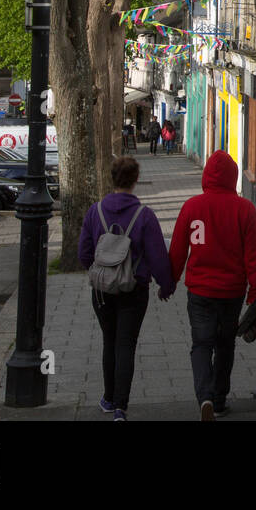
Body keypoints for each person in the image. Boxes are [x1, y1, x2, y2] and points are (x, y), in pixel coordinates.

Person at [168, 150, 256, 420]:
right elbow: (254, 255)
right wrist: (255, 291)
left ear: (206, 175)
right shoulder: (245, 209)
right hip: (232, 291)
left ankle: (205, 397)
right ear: (233, 177)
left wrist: (170, 282)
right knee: (225, 344)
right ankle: (219, 399)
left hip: (199, 290)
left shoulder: (192, 207)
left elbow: (177, 250)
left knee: (201, 344)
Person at [78, 156, 175, 421]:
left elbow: (83, 253)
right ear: (135, 180)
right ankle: (121, 406)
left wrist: (99, 270)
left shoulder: (94, 211)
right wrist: (166, 285)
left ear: (112, 179)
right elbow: (157, 256)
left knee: (109, 341)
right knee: (126, 345)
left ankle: (108, 398)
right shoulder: (144, 216)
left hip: (101, 292)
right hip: (134, 289)